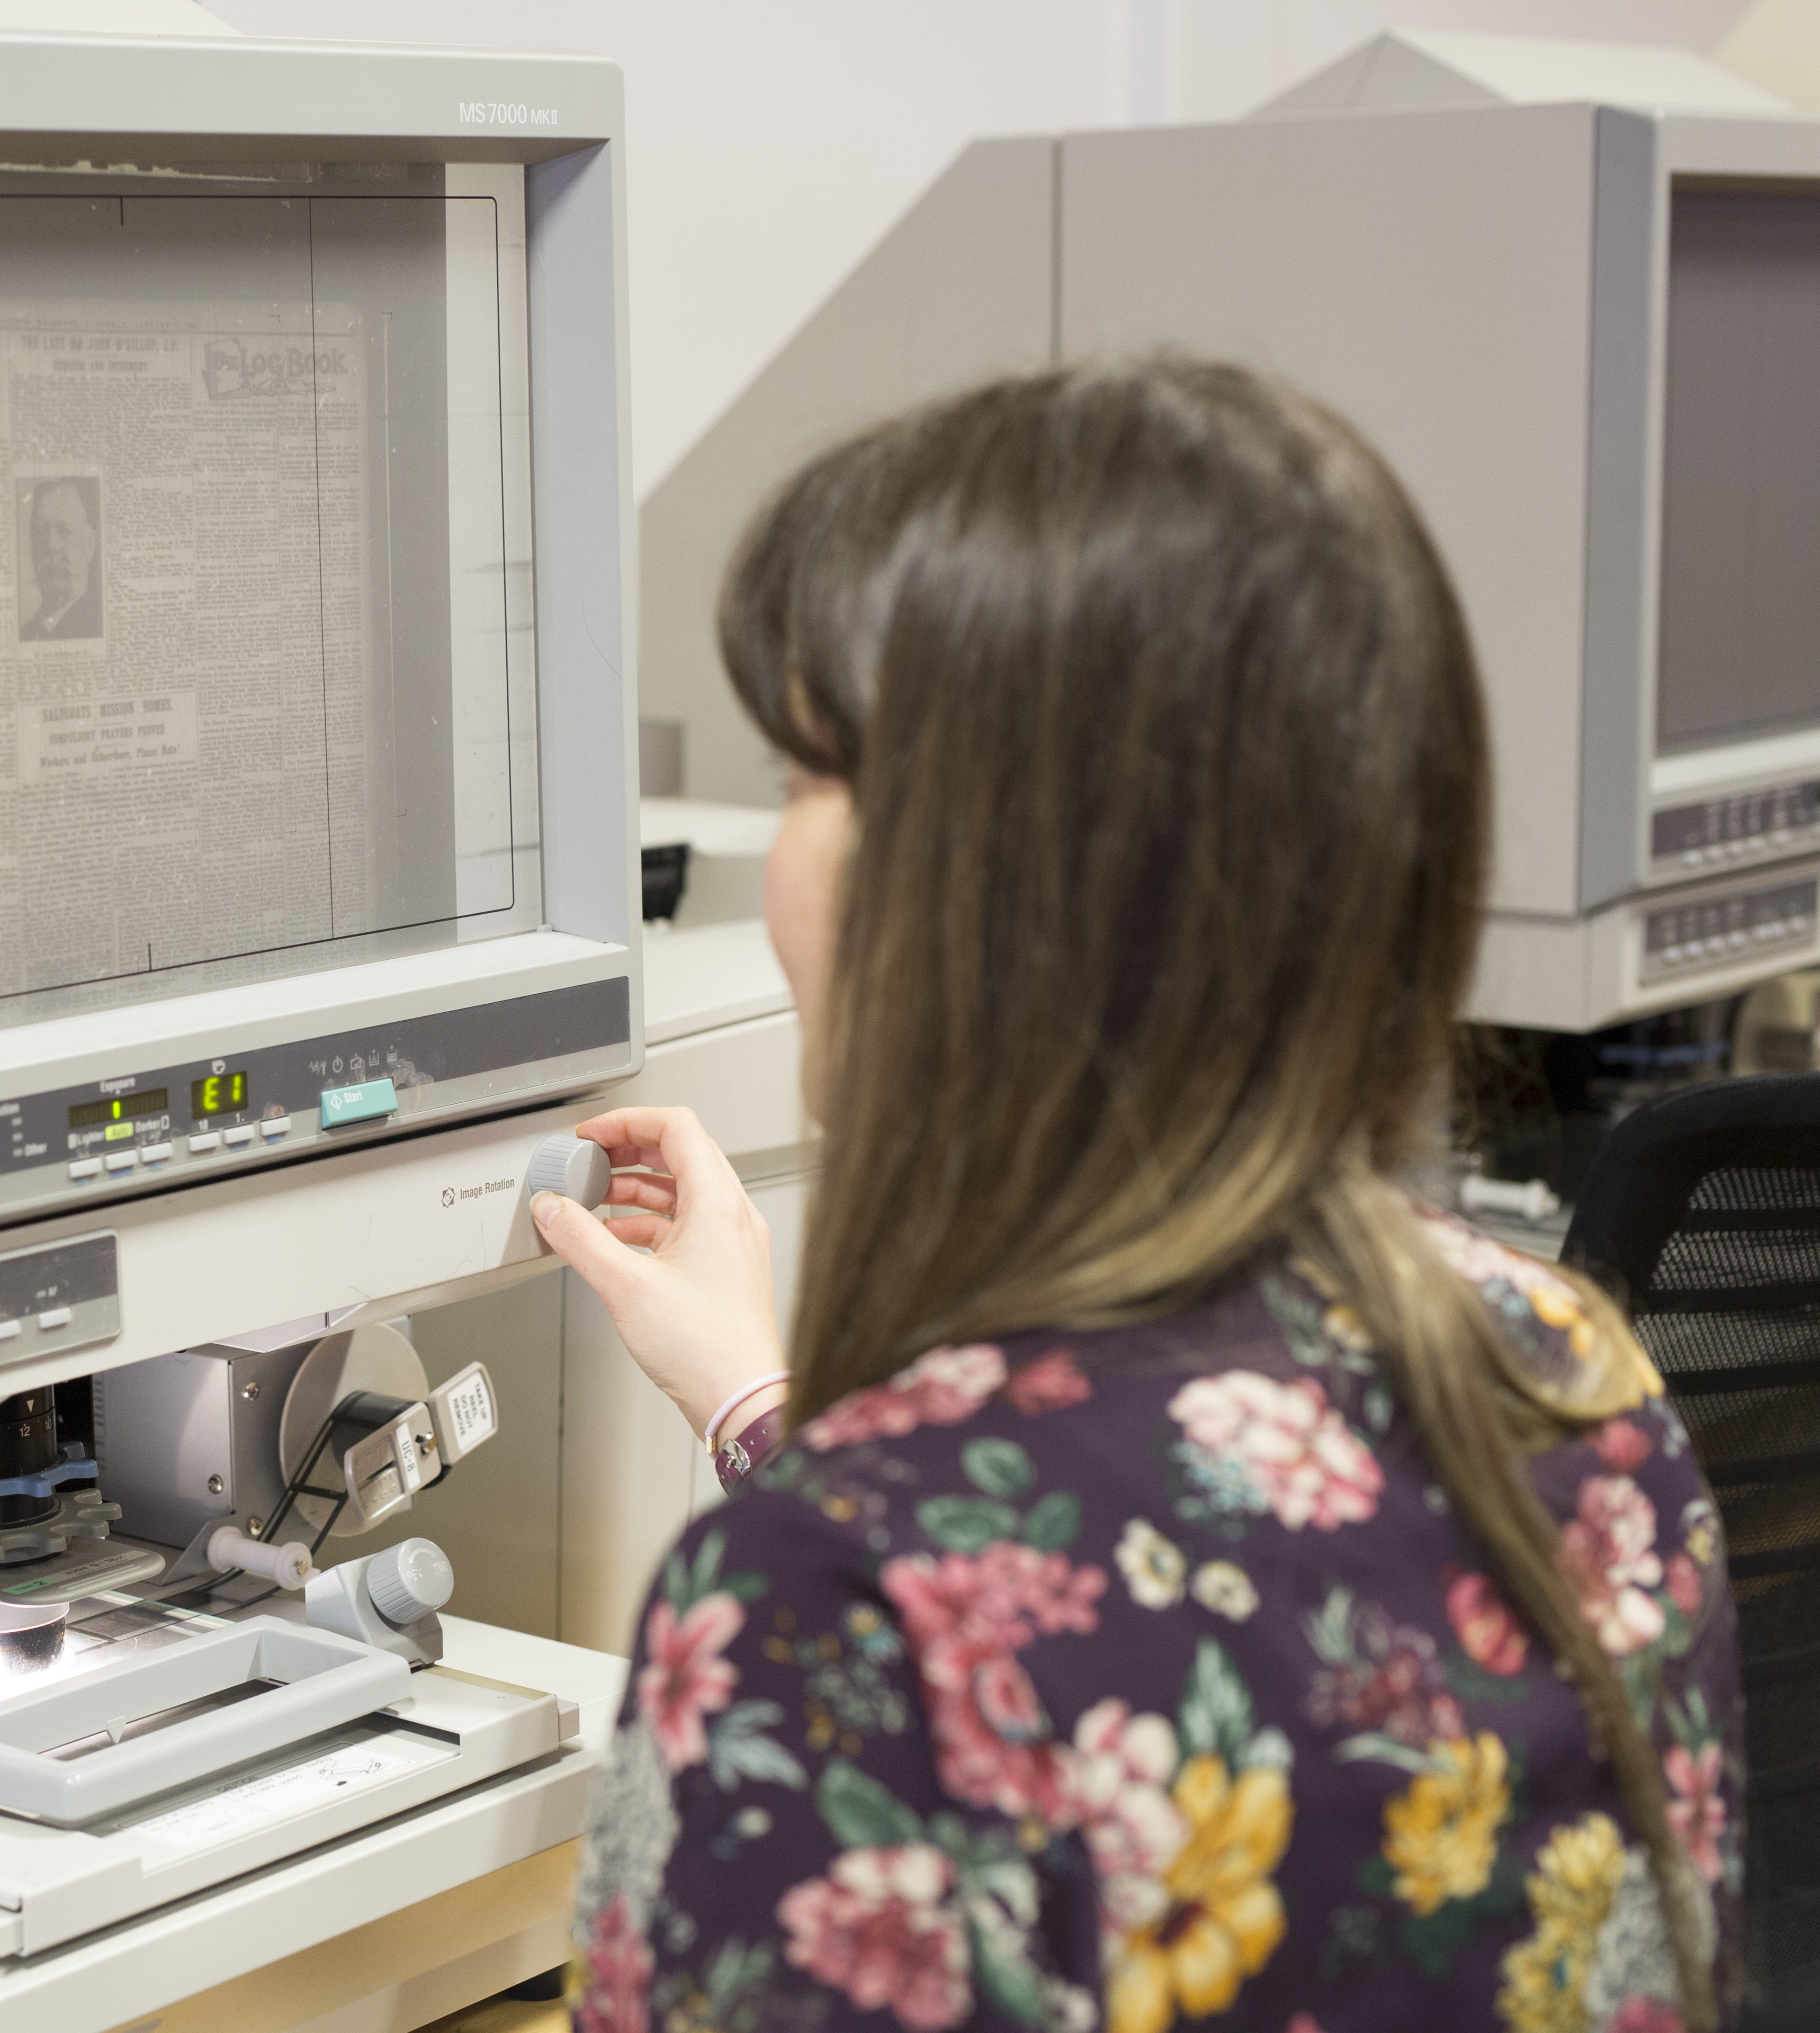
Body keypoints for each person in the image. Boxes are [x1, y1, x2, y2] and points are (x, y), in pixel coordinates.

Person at [533, 361, 1742, 2033]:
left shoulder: (816, 1604)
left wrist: (811, 1513)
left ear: (981, 882)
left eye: (805, 780)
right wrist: (765, 1406)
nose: (783, 858)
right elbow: (1165, 1570)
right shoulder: (1571, 1376)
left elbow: (1002, 1628)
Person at [23, 478, 103, 641]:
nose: (51, 545)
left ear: (90, 545)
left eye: (64, 531)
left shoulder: (97, 627)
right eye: (40, 531)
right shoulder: (25, 634)